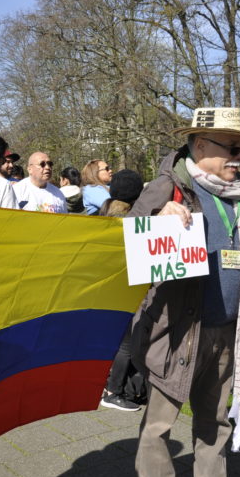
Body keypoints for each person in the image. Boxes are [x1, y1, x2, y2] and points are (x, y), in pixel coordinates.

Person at [129, 107, 240, 477]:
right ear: (200, 145)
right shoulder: (168, 186)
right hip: (176, 331)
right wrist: (157, 215)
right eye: (232, 147)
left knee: (215, 420)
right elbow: (124, 239)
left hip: (229, 331)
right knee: (158, 425)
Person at [98, 169, 145, 411]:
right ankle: (113, 392)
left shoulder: (103, 213)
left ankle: (109, 386)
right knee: (126, 345)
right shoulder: (134, 220)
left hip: (106, 288)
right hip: (126, 289)